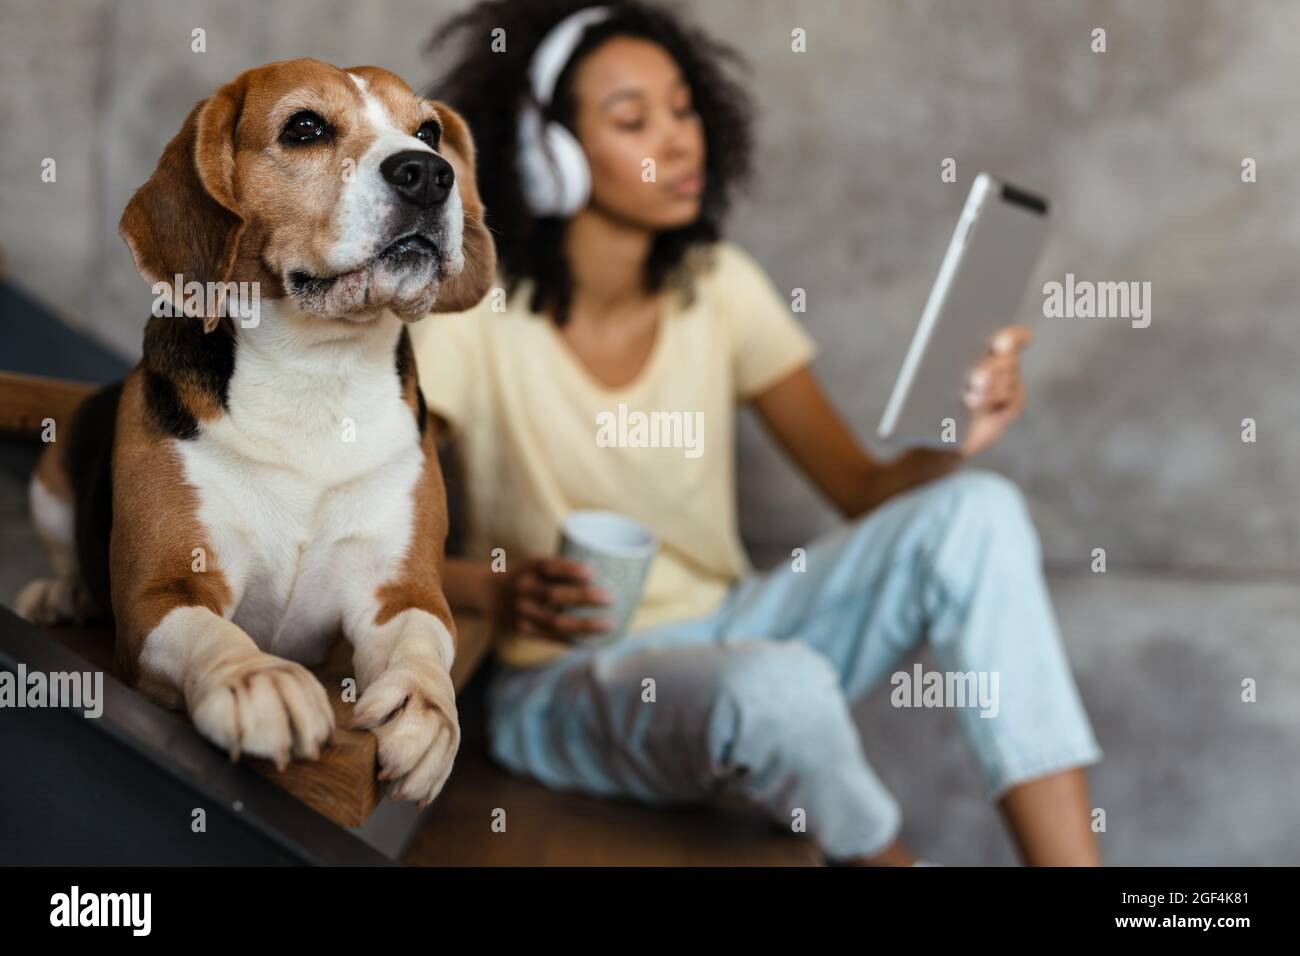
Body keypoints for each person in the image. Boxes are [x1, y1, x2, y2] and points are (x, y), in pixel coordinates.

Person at [412, 0, 1102, 865]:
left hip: (732, 629)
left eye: (683, 108)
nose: (679, 137)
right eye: (633, 119)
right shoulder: (474, 319)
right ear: (550, 158)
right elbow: (376, 551)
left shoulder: (721, 286)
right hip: (566, 685)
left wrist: (954, 433)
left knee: (981, 509)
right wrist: (499, 591)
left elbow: (862, 492)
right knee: (779, 689)